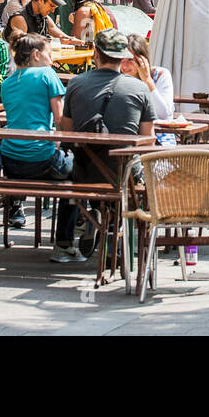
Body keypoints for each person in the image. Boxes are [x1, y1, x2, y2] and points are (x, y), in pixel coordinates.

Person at [55, 29, 154, 263]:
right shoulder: (139, 89)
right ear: (122, 57)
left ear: (96, 54)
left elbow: (65, 133)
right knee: (130, 170)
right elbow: (148, 140)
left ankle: (65, 242)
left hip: (83, 172)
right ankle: (114, 231)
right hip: (124, 174)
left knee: (70, 171)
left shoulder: (76, 84)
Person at [0, 33, 74, 183]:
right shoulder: (47, 74)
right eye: (49, 55)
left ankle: (15, 202)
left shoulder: (6, 84)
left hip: (9, 161)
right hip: (41, 160)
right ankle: (70, 206)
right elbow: (60, 120)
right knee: (79, 166)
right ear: (36, 55)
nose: (51, 62)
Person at [122, 33, 176, 144]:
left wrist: (147, 81)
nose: (124, 66)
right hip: (128, 138)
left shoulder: (160, 75)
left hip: (160, 140)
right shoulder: (119, 79)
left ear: (143, 60)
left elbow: (163, 114)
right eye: (121, 60)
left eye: (130, 60)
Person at [8, 0, 76, 44]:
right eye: (51, 6)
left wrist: (77, 41)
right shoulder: (19, 18)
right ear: (41, 0)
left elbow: (60, 35)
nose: (53, 11)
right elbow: (24, 46)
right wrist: (55, 41)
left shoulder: (44, 16)